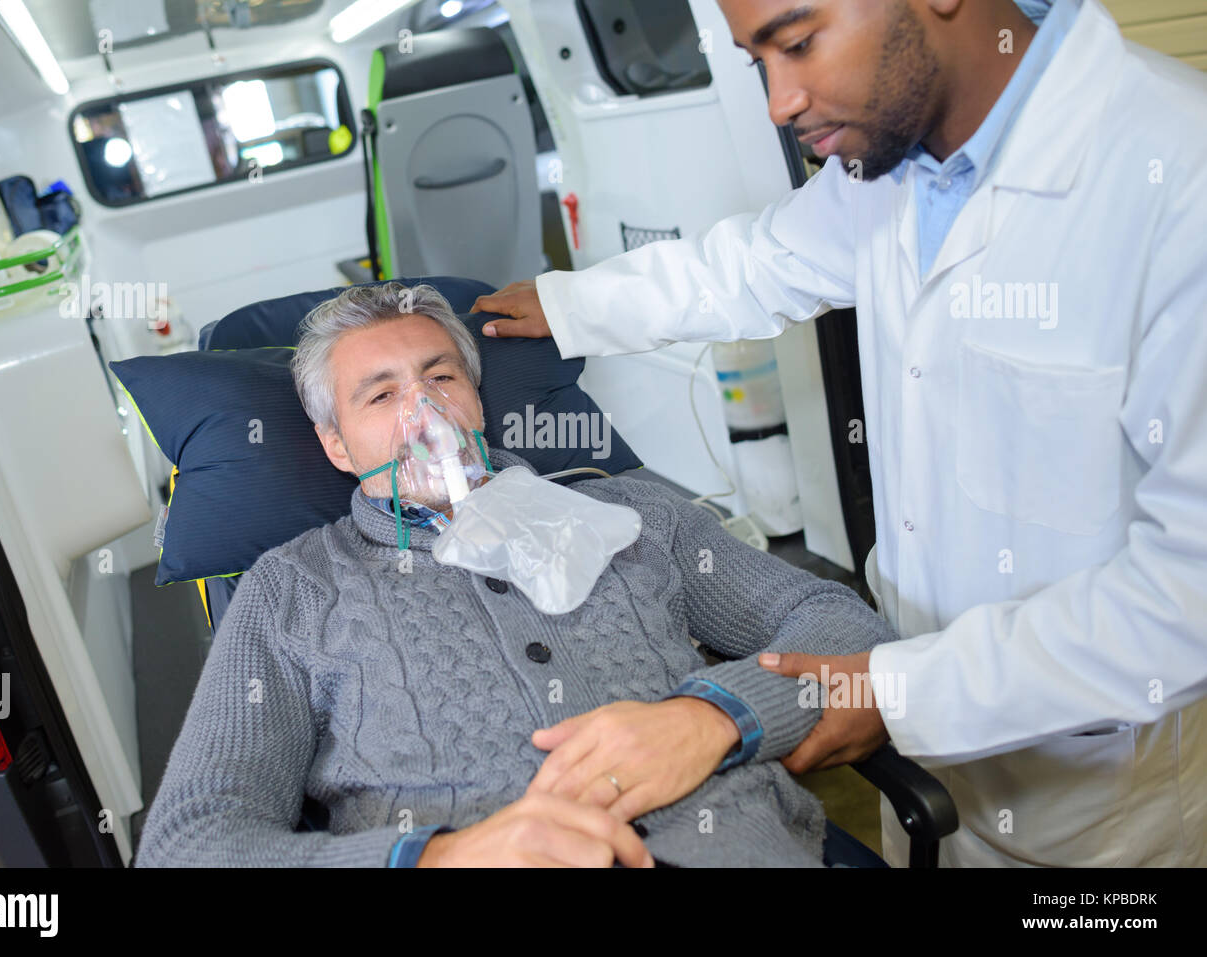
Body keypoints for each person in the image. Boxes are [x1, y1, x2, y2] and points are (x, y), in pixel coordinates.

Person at [469, 0, 1207, 867]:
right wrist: (569, 303)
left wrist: (894, 690)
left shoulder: (1175, 178)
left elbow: (1186, 593)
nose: (781, 101)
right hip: (918, 737)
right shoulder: (895, 164)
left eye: (798, 42)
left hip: (1095, 795)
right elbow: (756, 263)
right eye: (758, 63)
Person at [134, 282, 900, 868]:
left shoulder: (632, 514)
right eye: (381, 394)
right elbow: (192, 842)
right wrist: (440, 856)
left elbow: (839, 624)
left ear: (476, 401)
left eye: (441, 377)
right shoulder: (292, 591)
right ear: (336, 445)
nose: (423, 409)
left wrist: (716, 716)